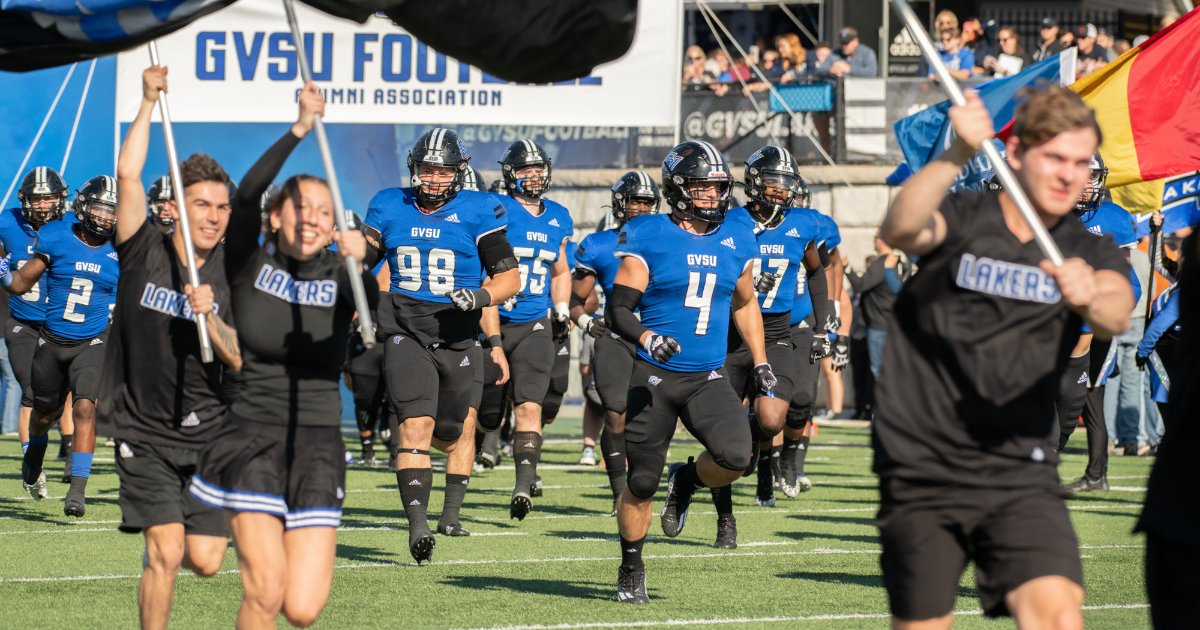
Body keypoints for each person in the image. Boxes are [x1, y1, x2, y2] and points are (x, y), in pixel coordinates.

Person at [875, 85, 1132, 626]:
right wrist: (955, 154)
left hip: (1019, 462)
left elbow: (1117, 310)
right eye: (1055, 158)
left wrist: (1089, 293)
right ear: (1015, 156)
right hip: (927, 460)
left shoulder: (1085, 244)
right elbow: (900, 228)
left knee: (1059, 614)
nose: (1071, 175)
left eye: (1082, 162)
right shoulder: (968, 215)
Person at [187, 83, 378, 628]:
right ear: (276, 217)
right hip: (252, 434)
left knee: (301, 608)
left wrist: (362, 265)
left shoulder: (343, 276)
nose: (312, 217)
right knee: (266, 592)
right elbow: (245, 196)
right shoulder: (249, 261)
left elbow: (373, 311)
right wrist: (299, 127)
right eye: (299, 206)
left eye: (323, 210)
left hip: (319, 443)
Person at [100, 64, 242, 630]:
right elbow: (127, 175)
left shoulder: (235, 273)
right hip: (142, 428)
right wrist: (145, 102)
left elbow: (236, 358)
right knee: (165, 553)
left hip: (209, 430)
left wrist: (214, 318)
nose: (212, 216)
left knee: (206, 562)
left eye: (221, 207)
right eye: (201, 205)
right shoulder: (144, 249)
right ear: (179, 208)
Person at [609, 140, 773, 603]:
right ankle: (631, 565)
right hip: (656, 376)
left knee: (738, 457)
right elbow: (618, 309)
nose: (713, 196)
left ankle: (686, 481)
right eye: (702, 187)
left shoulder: (736, 236)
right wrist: (647, 338)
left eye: (718, 187)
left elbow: (744, 303)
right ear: (678, 188)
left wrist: (760, 362)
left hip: (707, 375)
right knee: (640, 482)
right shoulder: (648, 234)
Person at [362, 128, 520, 559]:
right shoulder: (388, 204)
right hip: (406, 333)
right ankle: (418, 527)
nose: (433, 179)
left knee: (451, 433)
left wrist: (481, 297)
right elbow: (362, 261)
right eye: (427, 169)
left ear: (458, 173)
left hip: (458, 337)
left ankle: (450, 509)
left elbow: (510, 277)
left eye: (443, 171)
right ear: (414, 169)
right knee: (414, 428)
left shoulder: (479, 210)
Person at [706, 146, 827, 547]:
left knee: (772, 418)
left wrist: (825, 326)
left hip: (776, 331)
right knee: (722, 437)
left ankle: (759, 459)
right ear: (756, 182)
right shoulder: (729, 219)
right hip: (729, 331)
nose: (780, 190)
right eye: (773, 181)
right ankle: (725, 518)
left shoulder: (804, 224)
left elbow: (817, 272)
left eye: (786, 183)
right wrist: (737, 284)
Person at [4, 173, 120, 516]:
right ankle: (33, 458)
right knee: (43, 414)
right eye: (100, 208)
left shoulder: (123, 248)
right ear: (83, 207)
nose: (106, 217)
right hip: (52, 340)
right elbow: (21, 282)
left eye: (112, 211)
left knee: (85, 406)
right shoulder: (55, 236)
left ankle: (77, 491)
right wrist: (4, 274)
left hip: (94, 339)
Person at [485, 139, 573, 520]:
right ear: (510, 174)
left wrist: (563, 307)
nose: (534, 176)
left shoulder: (558, 216)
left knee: (530, 404)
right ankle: (483, 449)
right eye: (525, 170)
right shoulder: (495, 210)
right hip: (493, 320)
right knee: (486, 411)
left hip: (534, 320)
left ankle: (523, 483)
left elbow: (561, 269)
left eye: (538, 169)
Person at [571, 170, 662, 513]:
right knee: (615, 414)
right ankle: (618, 492)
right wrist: (583, 321)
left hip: (660, 336)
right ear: (620, 203)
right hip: (617, 336)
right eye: (634, 199)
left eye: (646, 201)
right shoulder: (598, 244)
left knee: (653, 418)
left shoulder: (673, 238)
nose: (639, 206)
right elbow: (576, 298)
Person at [0, 166, 69, 497]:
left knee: (58, 400)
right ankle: (33, 463)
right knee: (31, 390)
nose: (42, 205)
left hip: (61, 325)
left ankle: (59, 450)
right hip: (23, 321)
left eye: (48, 198)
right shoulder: (7, 221)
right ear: (25, 200)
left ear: (60, 199)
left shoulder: (74, 226)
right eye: (36, 199)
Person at [846, 233, 902, 380]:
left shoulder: (881, 264)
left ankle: (883, 403)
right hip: (889, 323)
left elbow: (860, 285)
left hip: (879, 326)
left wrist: (846, 267)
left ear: (883, 240)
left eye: (876, 237)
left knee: (878, 372)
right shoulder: (897, 262)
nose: (874, 240)